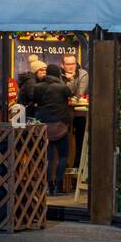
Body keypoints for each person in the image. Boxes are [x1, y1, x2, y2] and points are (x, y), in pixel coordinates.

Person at [32, 63, 73, 196]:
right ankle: (59, 186)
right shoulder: (62, 87)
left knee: (48, 158)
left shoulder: (38, 87)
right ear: (57, 74)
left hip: (45, 126)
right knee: (63, 156)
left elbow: (35, 101)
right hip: (61, 125)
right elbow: (71, 95)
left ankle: (49, 186)